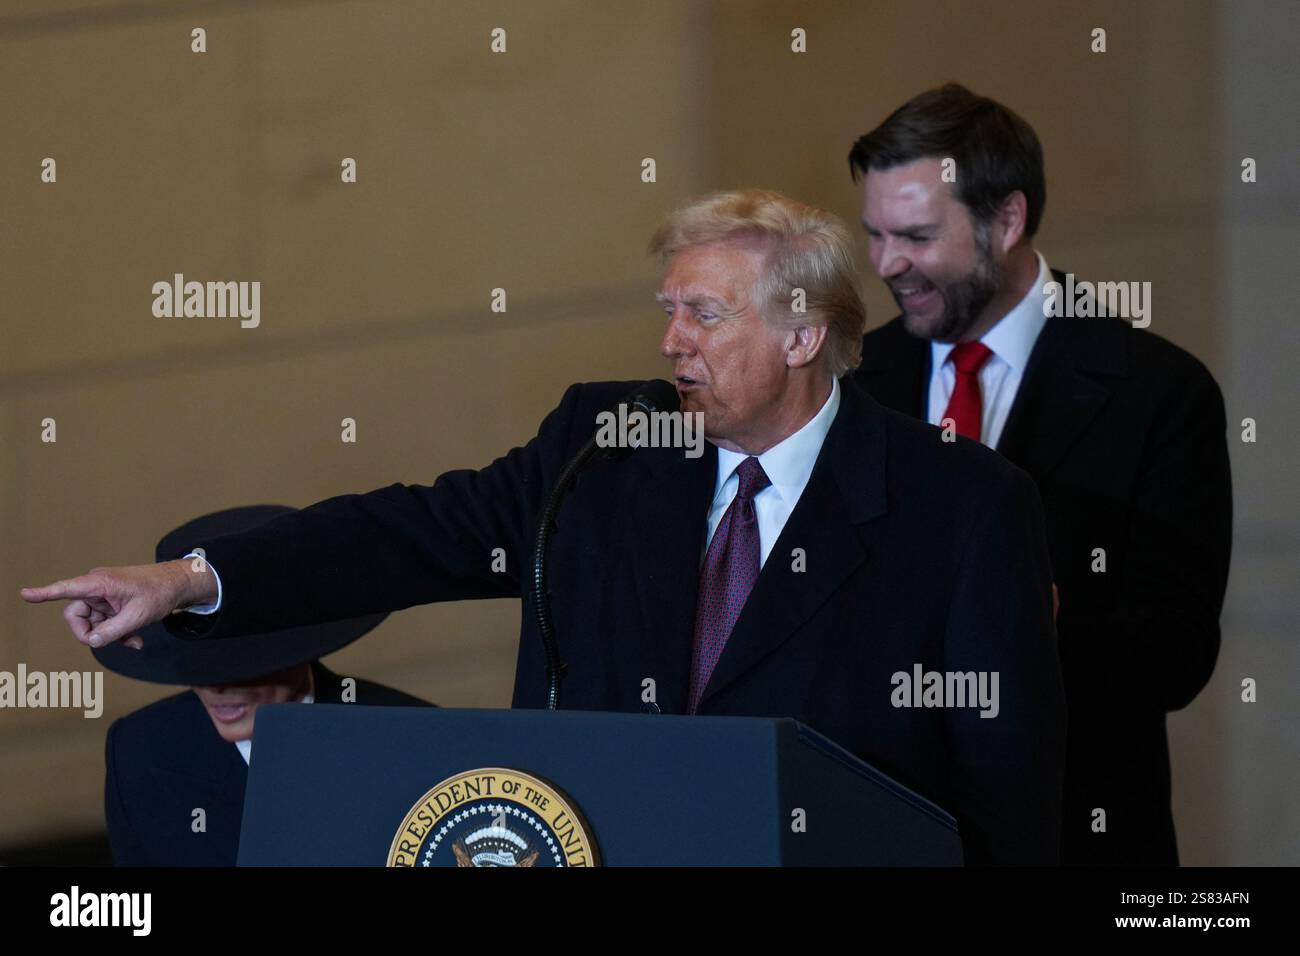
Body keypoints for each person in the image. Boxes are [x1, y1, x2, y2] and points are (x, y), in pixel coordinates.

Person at [24, 189, 1066, 865]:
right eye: (667, 311)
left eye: (703, 316)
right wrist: (196, 580)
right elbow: (411, 531)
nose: (670, 343)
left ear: (802, 333)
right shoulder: (605, 444)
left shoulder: (960, 505)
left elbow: (1005, 792)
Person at [847, 83, 1232, 865]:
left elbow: (1178, 653)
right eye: (875, 235)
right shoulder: (854, 382)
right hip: (881, 833)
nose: (889, 266)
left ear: (1008, 220)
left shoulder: (1157, 389)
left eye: (916, 236)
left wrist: (1029, 625)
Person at [94, 506, 431, 866]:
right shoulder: (140, 751)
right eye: (200, 663)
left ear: (301, 644)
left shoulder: (415, 741)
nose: (216, 687)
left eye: (242, 662)